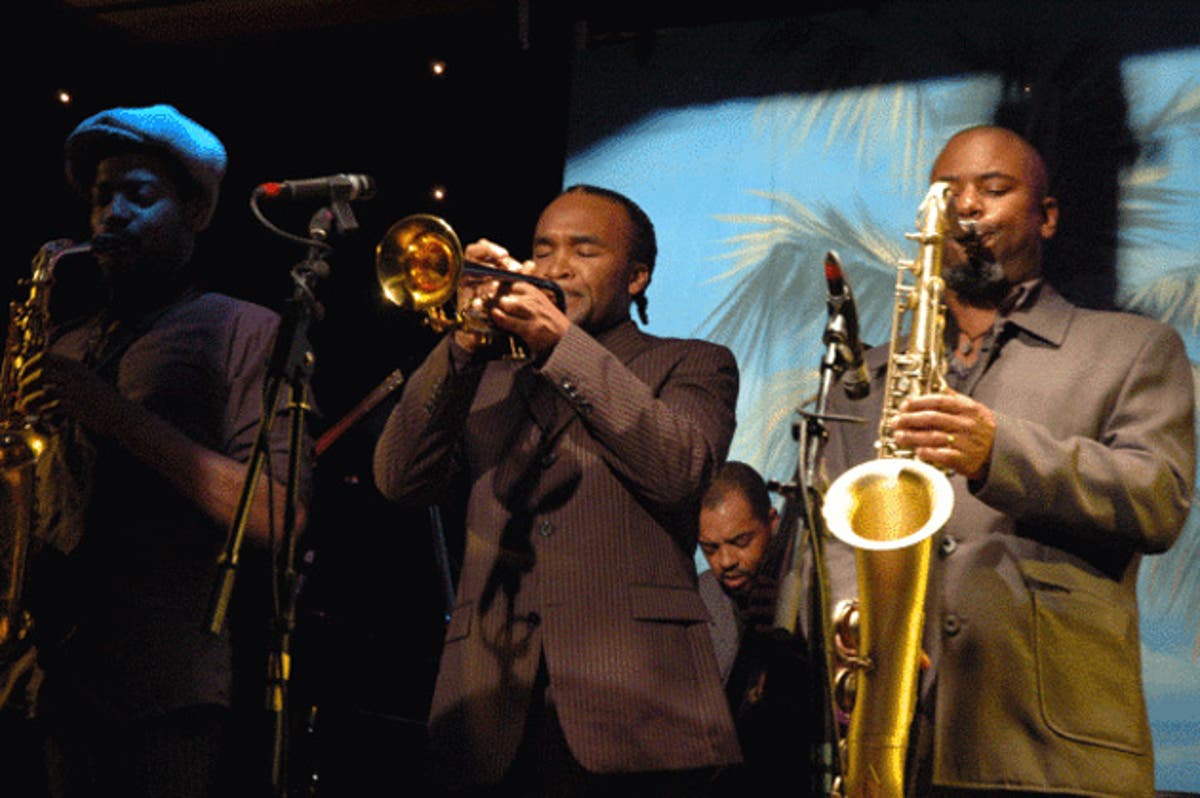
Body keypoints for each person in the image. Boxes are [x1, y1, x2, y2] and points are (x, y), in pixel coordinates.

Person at [821, 125, 1195, 797]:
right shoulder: (870, 378)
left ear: (1045, 216)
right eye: (947, 192)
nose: (967, 206)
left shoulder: (1134, 348)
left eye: (994, 189)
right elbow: (839, 529)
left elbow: (1159, 498)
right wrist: (857, 620)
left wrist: (1002, 452)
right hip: (901, 734)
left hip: (1052, 742)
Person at [373, 184, 742, 795]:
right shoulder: (487, 381)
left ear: (636, 277)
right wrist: (464, 339)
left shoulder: (693, 363)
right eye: (542, 250)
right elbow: (400, 478)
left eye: (584, 251)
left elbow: (680, 471)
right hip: (488, 709)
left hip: (635, 712)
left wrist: (560, 347)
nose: (556, 267)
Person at [12, 104, 310, 797]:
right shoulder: (65, 341)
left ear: (198, 213)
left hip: (162, 698)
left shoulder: (245, 330)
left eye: (139, 195)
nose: (112, 214)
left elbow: (280, 516)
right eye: (100, 197)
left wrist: (112, 415)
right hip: (48, 684)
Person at [697, 461, 812, 796]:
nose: (727, 560)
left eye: (741, 540)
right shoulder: (697, 597)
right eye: (711, 548)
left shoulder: (807, 590)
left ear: (772, 524)